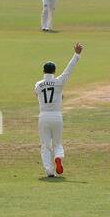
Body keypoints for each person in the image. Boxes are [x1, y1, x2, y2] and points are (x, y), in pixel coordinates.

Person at [34, 44, 83, 177]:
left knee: (45, 145)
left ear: (43, 71)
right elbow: (68, 70)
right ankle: (58, 157)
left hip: (43, 116)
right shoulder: (59, 82)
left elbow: (37, 94)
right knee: (57, 143)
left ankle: (49, 171)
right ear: (54, 71)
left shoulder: (38, 84)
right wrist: (77, 54)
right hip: (57, 116)